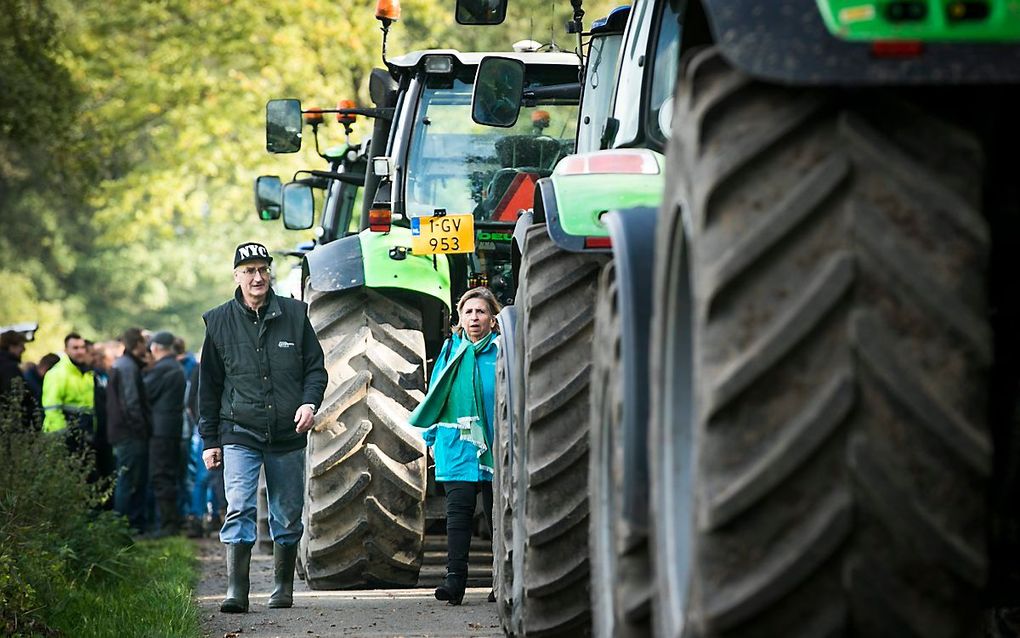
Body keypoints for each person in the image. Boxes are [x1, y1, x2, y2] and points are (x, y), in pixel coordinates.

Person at [199, 242, 327, 613]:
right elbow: (209, 387)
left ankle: (281, 587)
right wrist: (210, 440)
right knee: (238, 505)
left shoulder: (294, 314)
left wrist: (309, 402)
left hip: (287, 433)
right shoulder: (219, 321)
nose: (257, 277)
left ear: (270, 272)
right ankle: (237, 591)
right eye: (249, 271)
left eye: (262, 269)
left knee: (286, 514)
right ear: (237, 276)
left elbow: (315, 369)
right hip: (239, 430)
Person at [409, 287, 501, 606]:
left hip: (496, 446)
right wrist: (432, 441)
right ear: (459, 318)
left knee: (497, 517)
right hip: (458, 446)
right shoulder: (450, 350)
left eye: (481, 312)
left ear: (493, 318)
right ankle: (454, 582)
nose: (474, 317)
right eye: (469, 312)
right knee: (458, 515)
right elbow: (436, 396)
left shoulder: (503, 352)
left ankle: (502, 582)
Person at [106, 327, 152, 533]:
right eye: (143, 342)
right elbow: (131, 402)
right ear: (137, 344)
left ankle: (124, 524)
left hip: (121, 431)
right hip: (129, 433)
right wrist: (141, 428)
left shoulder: (122, 365)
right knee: (128, 478)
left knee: (126, 477)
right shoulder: (127, 367)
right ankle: (123, 526)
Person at [144, 331, 187, 537]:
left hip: (160, 430)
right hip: (172, 427)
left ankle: (167, 525)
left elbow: (145, 393)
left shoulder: (162, 369)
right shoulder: (176, 367)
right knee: (170, 474)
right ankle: (172, 522)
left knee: (161, 475)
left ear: (155, 348)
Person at [42, 333, 96, 441]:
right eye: (75, 348)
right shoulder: (57, 373)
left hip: (84, 433)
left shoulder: (87, 374)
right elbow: (52, 407)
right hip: (63, 435)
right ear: (66, 350)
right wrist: (62, 433)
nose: (80, 351)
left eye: (82, 348)